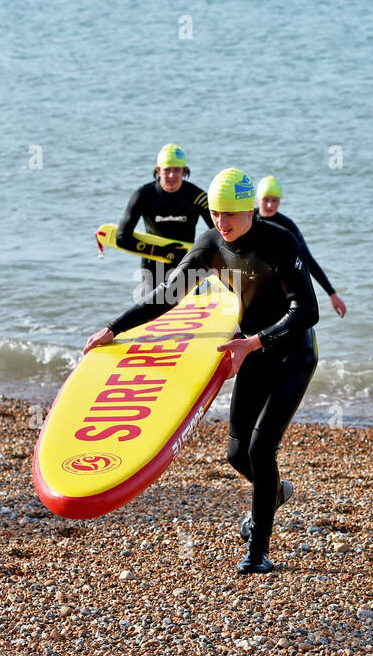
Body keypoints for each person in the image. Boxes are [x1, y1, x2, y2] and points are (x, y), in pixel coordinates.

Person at [86, 168, 318, 574]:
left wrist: (254, 342)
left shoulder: (279, 242)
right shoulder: (211, 243)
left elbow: (306, 312)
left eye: (230, 214)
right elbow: (167, 296)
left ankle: (258, 550)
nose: (221, 222)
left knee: (262, 449)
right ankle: (273, 493)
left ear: (250, 210)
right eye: (214, 213)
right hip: (250, 351)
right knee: (236, 453)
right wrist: (114, 327)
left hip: (291, 354)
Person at [116, 144, 213, 298]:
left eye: (177, 170)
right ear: (158, 171)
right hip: (152, 267)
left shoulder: (197, 197)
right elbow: (121, 238)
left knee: (187, 317)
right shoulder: (143, 196)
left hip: (187, 264)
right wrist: (163, 252)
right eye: (167, 170)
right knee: (152, 315)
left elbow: (219, 232)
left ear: (185, 171)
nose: (171, 175)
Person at [255, 176, 347, 317]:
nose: (269, 205)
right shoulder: (248, 219)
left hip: (279, 287)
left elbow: (306, 259)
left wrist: (332, 294)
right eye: (265, 200)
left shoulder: (287, 225)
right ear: (257, 199)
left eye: (274, 200)